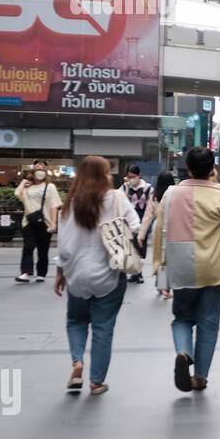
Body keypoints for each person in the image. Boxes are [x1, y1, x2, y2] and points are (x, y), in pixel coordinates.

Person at [156, 146, 220, 392]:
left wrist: (158, 266)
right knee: (208, 323)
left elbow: (159, 230)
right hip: (213, 269)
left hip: (179, 267)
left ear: (189, 168)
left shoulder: (171, 194)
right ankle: (200, 377)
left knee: (182, 318)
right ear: (212, 169)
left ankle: (184, 352)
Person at [54, 156, 139, 395]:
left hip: (77, 275)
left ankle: (77, 360)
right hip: (109, 273)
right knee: (103, 327)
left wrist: (60, 271)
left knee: (76, 320)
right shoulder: (116, 198)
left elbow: (64, 245)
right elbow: (134, 225)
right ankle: (96, 381)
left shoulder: (70, 203)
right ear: (103, 175)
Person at [14, 159, 62, 283]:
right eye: (37, 167)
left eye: (42, 168)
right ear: (33, 170)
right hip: (28, 221)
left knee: (43, 249)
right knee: (28, 247)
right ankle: (25, 273)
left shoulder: (50, 187)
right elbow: (17, 193)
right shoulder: (27, 187)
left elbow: (54, 206)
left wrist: (53, 223)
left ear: (46, 172)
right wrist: (24, 182)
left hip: (44, 222)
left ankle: (41, 273)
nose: (40, 170)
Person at [139, 172, 176, 300]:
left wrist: (141, 235)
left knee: (160, 257)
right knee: (171, 258)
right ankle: (166, 287)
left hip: (158, 228)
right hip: (174, 228)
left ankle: (161, 285)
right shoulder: (175, 194)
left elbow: (148, 216)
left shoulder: (154, 196)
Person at [122, 166, 152, 284]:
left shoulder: (148, 188)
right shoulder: (124, 188)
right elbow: (120, 202)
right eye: (128, 177)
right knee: (129, 247)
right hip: (128, 221)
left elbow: (150, 207)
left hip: (142, 220)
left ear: (139, 175)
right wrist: (127, 192)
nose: (130, 179)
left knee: (140, 246)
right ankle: (134, 272)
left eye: (133, 177)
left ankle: (139, 273)